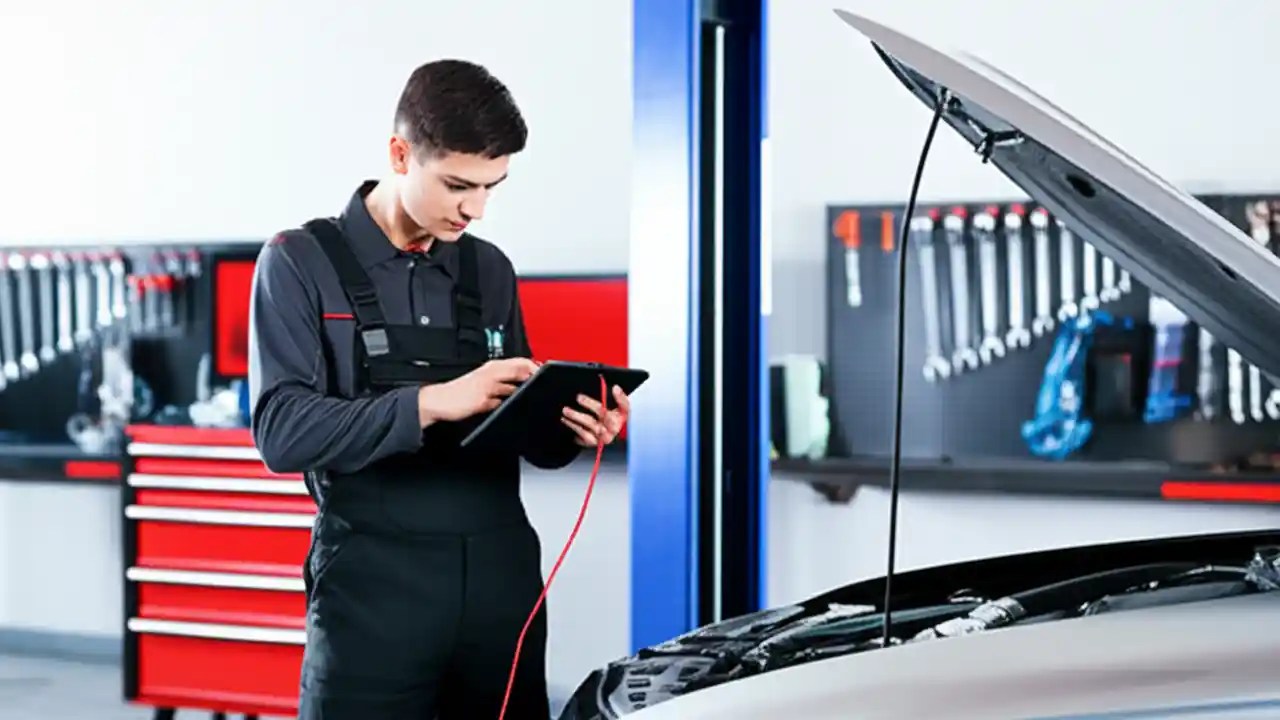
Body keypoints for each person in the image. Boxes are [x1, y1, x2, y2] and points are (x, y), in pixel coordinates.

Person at [247, 59, 631, 719]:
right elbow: (282, 432)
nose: (475, 209)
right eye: (458, 184)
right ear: (401, 154)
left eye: (492, 187)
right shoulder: (300, 263)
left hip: (499, 587)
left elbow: (513, 429)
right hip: (373, 593)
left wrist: (570, 427)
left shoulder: (490, 269)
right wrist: (432, 402)